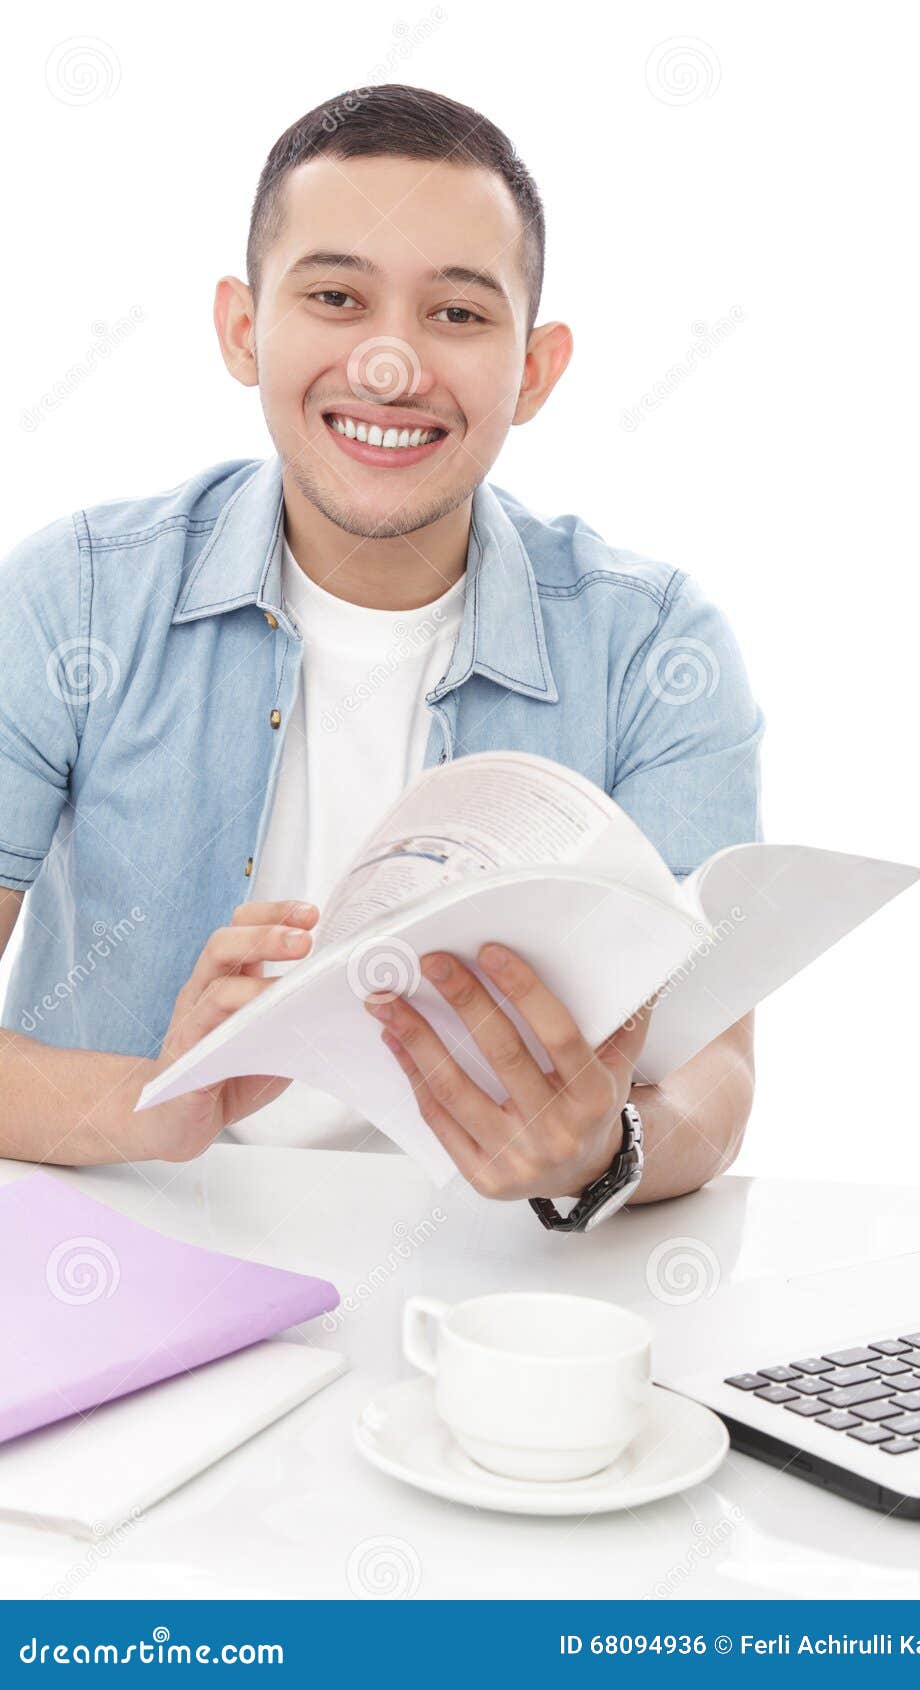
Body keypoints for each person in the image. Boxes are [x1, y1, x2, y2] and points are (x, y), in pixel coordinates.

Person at [0, 84, 765, 1215]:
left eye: (457, 314)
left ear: (536, 368)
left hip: (500, 1280)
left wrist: (599, 1151)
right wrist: (149, 1104)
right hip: (139, 1249)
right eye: (335, 296)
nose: (390, 366)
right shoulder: (75, 598)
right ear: (242, 327)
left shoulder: (651, 644)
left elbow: (716, 1072)